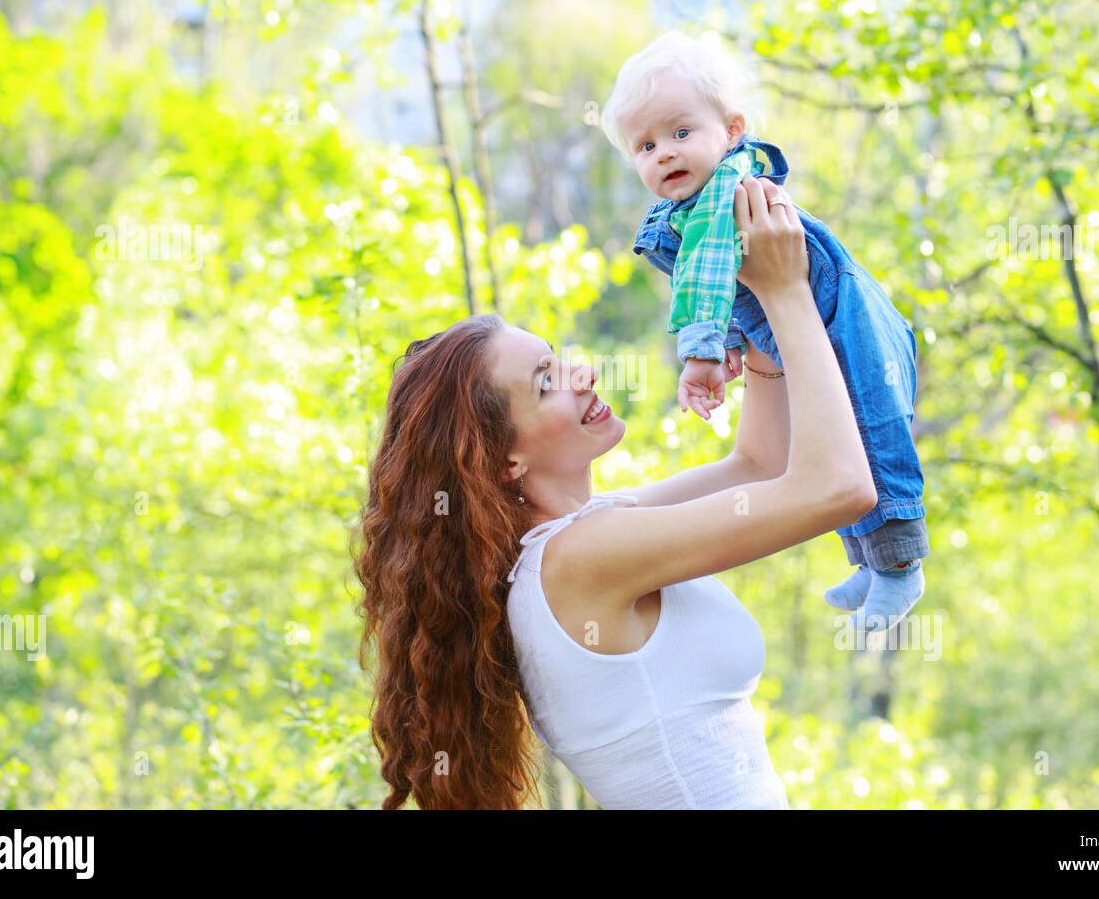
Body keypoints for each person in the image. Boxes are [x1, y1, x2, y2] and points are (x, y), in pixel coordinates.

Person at [353, 176, 875, 809]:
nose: (581, 374)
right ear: (506, 460)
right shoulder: (581, 557)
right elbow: (838, 487)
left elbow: (762, 466)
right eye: (546, 382)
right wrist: (786, 289)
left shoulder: (581, 539)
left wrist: (751, 314)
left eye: (558, 358)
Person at [599, 28, 929, 634]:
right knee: (824, 432)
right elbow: (735, 290)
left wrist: (699, 352)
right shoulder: (695, 204)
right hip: (802, 326)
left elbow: (707, 269)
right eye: (645, 146)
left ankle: (901, 563)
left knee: (870, 432)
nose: (665, 153)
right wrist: (730, 343)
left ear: (730, 131)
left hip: (846, 321)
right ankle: (869, 561)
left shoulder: (727, 187)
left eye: (680, 132)